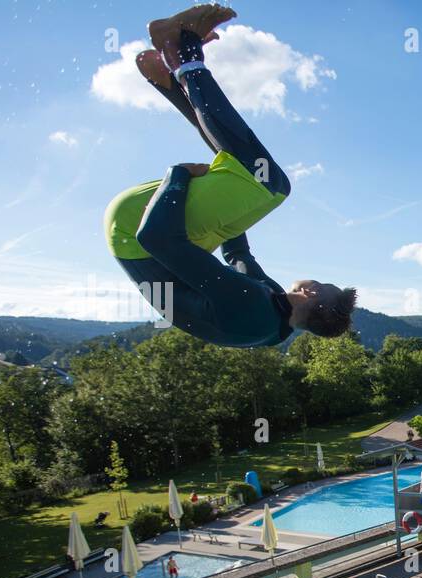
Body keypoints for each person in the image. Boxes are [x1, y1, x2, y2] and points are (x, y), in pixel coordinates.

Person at [104, 4, 355, 348]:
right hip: (151, 239)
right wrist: (236, 197)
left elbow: (156, 238)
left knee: (271, 185)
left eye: (324, 284)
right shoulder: (273, 315)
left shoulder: (254, 310)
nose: (317, 281)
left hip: (139, 230)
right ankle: (179, 81)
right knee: (252, 179)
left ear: (312, 293)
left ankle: (184, 47)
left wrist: (176, 176)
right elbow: (237, 254)